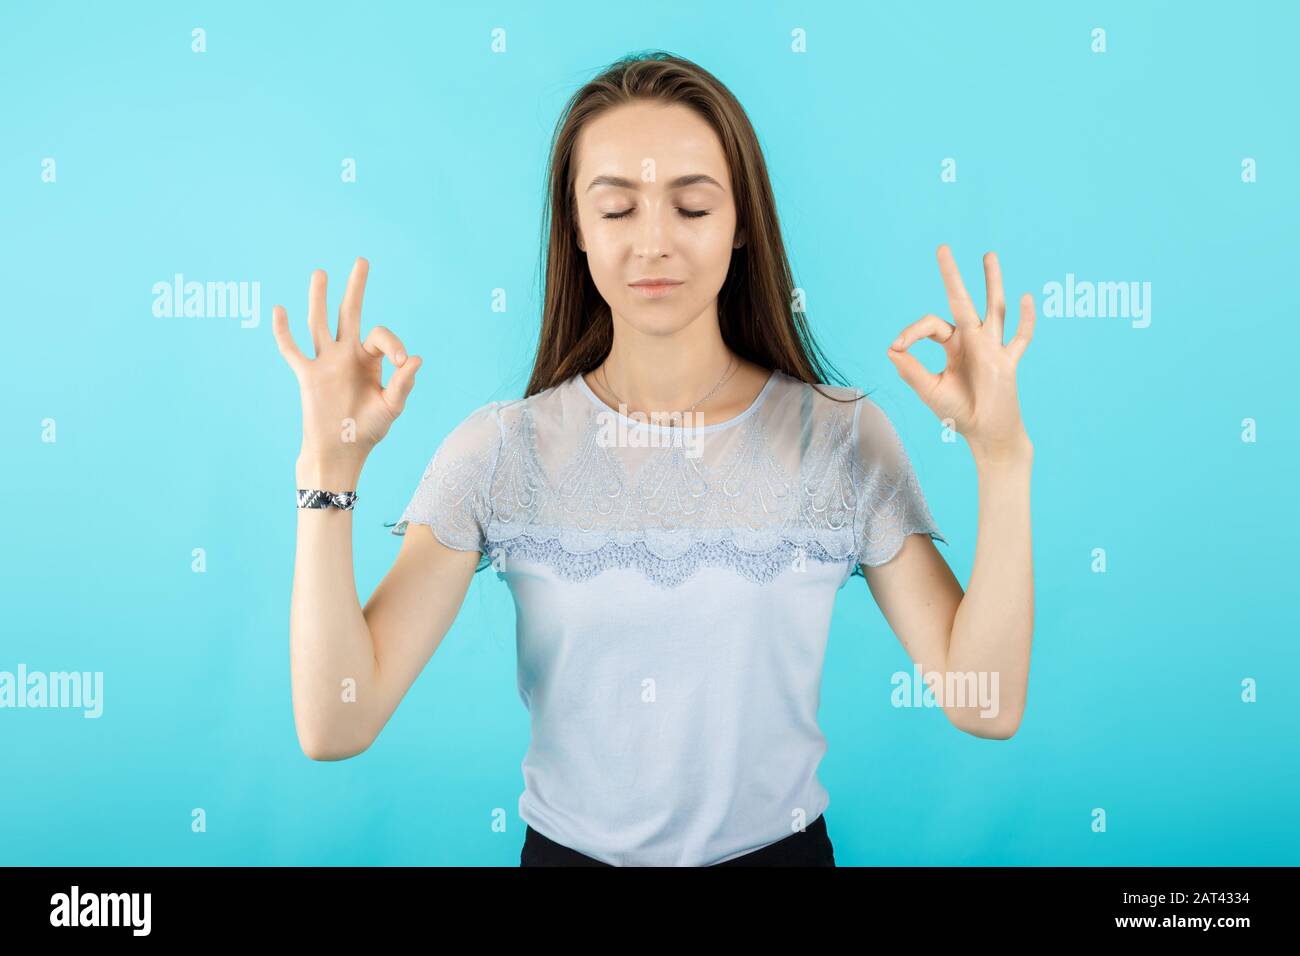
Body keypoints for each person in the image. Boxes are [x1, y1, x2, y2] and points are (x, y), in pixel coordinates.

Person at [273, 51, 1036, 867]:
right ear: (576, 228)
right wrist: (329, 469)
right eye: (617, 209)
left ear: (743, 223)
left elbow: (982, 703)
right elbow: (335, 724)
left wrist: (1002, 457)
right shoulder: (500, 450)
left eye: (692, 206)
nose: (654, 242)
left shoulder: (839, 437)